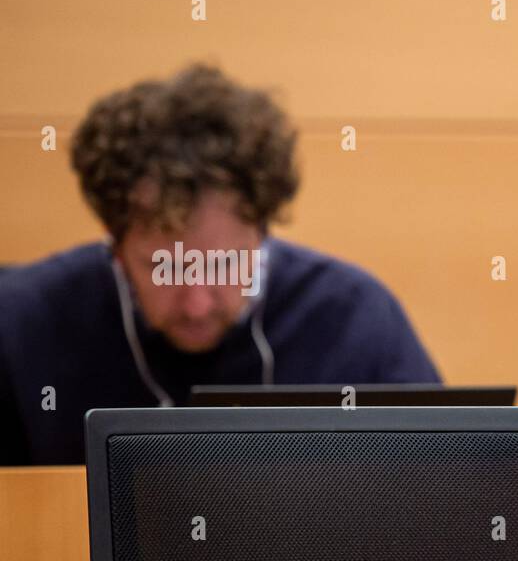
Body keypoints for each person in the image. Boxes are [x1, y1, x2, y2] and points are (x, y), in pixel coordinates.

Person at [0, 64, 441, 465]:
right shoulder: (22, 322)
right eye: (163, 268)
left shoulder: (354, 318)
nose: (196, 303)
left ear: (263, 232)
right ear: (114, 244)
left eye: (224, 264)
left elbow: (445, 487)